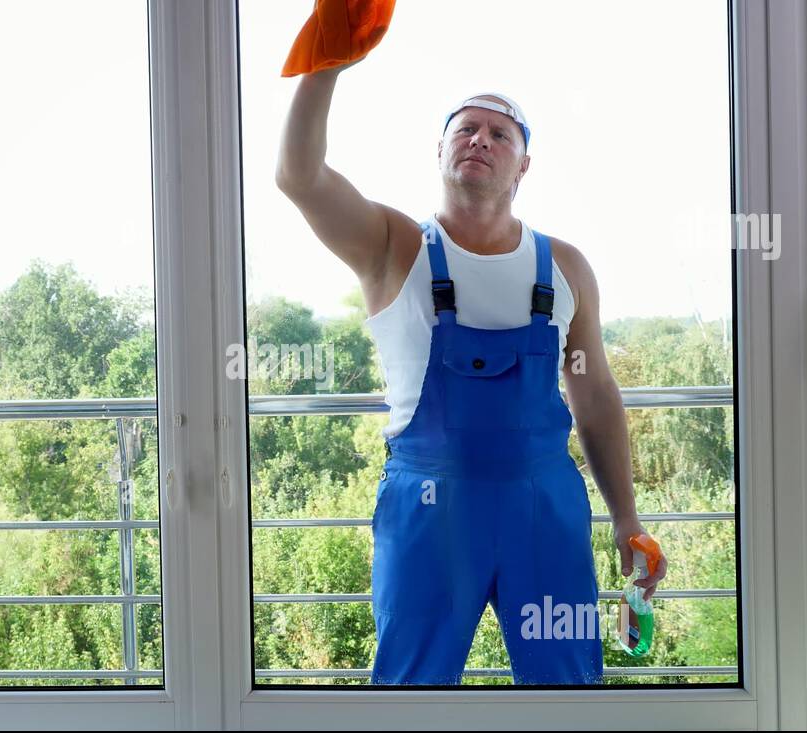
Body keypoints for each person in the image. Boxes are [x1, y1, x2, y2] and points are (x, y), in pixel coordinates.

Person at [275, 65, 667, 686]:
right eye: (466, 129)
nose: (480, 139)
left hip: (545, 512)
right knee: (413, 692)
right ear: (440, 151)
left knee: (567, 690)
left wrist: (627, 518)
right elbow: (298, 176)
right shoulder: (389, 246)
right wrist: (326, 63)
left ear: (523, 166)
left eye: (499, 134)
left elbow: (594, 397)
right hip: (428, 512)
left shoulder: (565, 267)